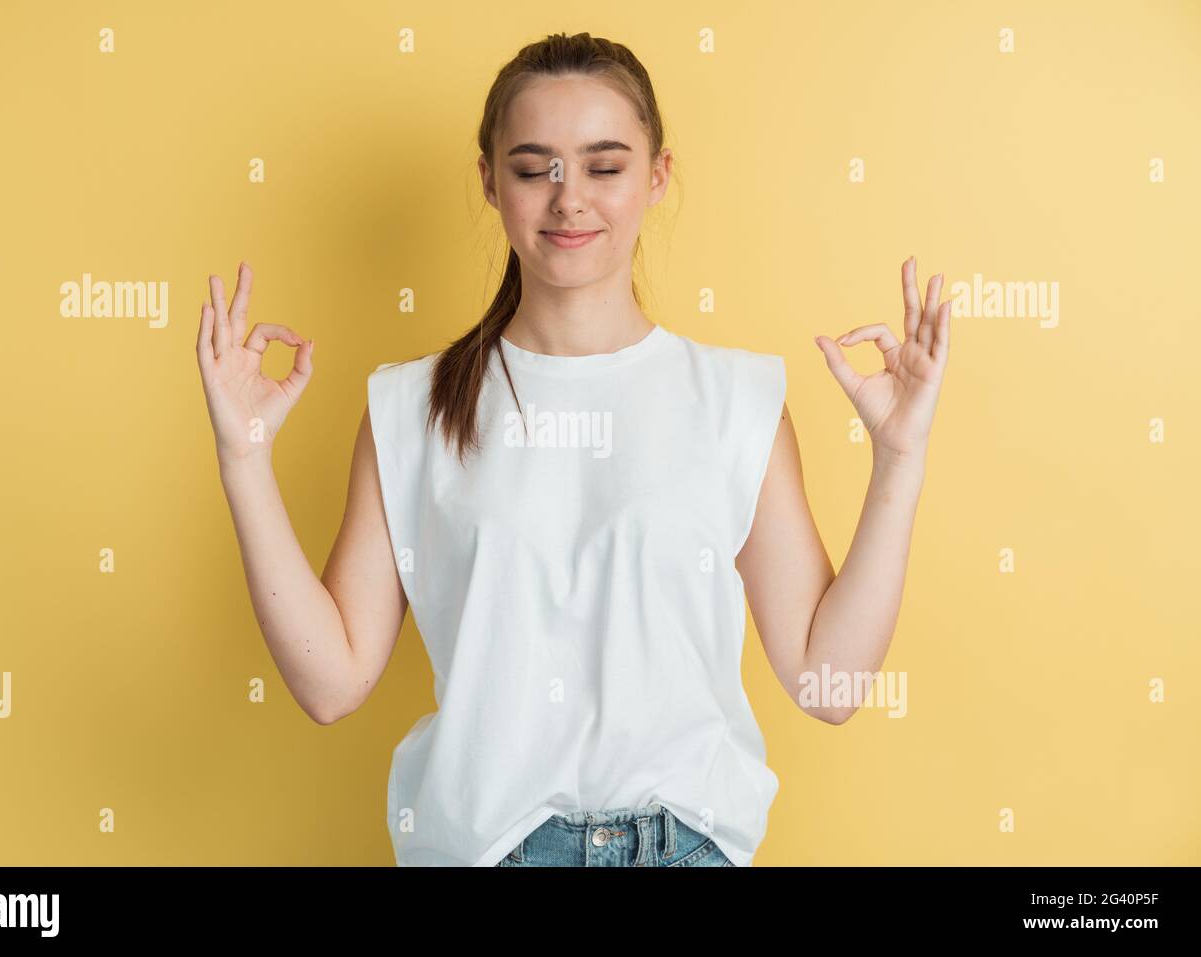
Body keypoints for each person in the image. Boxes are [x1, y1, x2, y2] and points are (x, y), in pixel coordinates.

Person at [195, 32, 951, 867]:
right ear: (489, 180)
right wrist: (245, 458)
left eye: (604, 165)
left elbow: (825, 682)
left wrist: (900, 458)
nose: (569, 199)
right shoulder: (410, 409)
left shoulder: (735, 402)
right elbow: (333, 684)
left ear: (657, 176)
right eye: (533, 168)